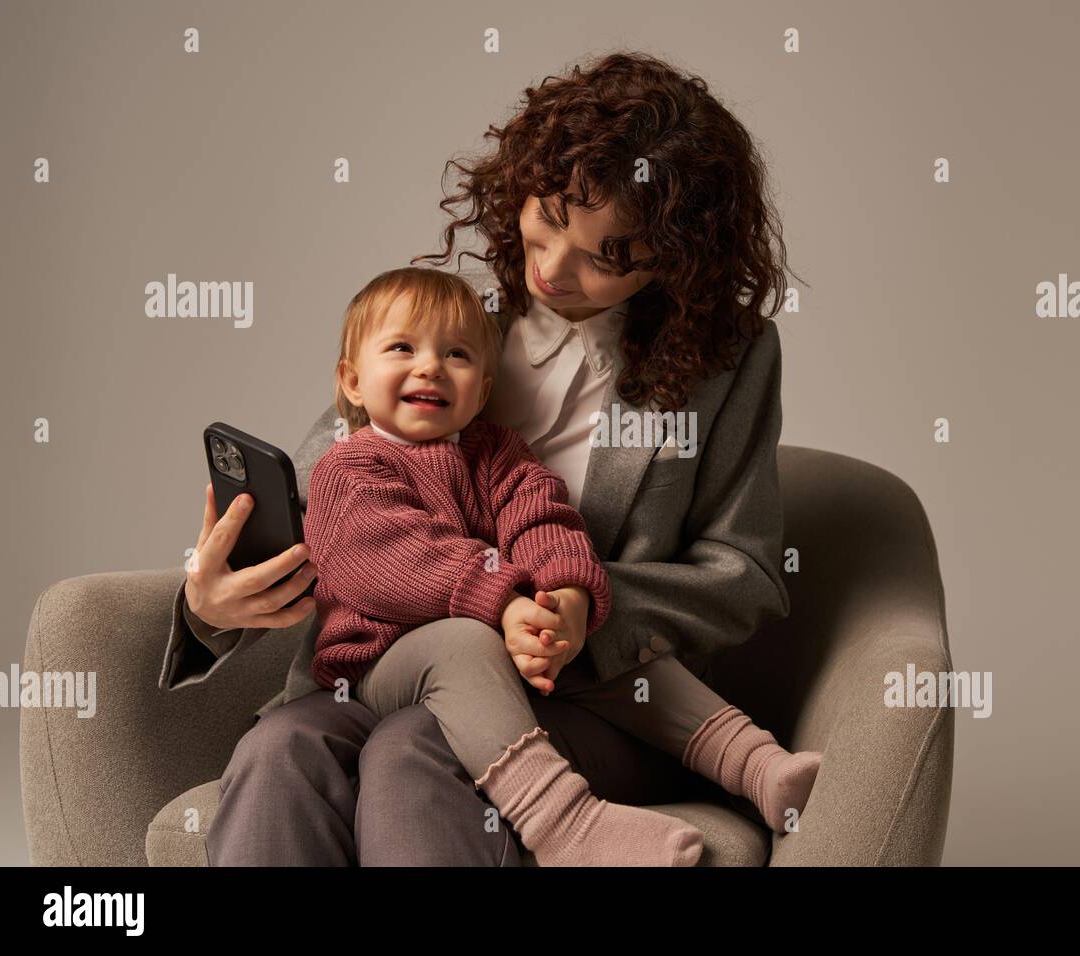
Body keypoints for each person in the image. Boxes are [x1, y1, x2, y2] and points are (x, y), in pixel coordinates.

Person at [157, 50, 800, 865]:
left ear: (675, 257)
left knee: (411, 752)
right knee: (280, 748)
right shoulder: (448, 322)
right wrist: (210, 606)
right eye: (551, 215)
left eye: (609, 255)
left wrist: (577, 610)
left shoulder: (729, 360)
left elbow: (744, 571)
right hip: (378, 666)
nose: (553, 267)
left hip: (585, 700)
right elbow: (336, 505)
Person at [296, 266, 820, 866]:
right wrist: (502, 598)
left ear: (484, 385)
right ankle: (565, 825)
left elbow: (542, 518)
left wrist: (566, 596)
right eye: (402, 349)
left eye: (457, 355)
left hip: (500, 639)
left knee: (597, 642)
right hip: (386, 660)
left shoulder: (496, 454)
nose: (430, 367)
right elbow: (392, 557)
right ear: (352, 382)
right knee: (464, 642)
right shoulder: (348, 470)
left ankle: (757, 765)